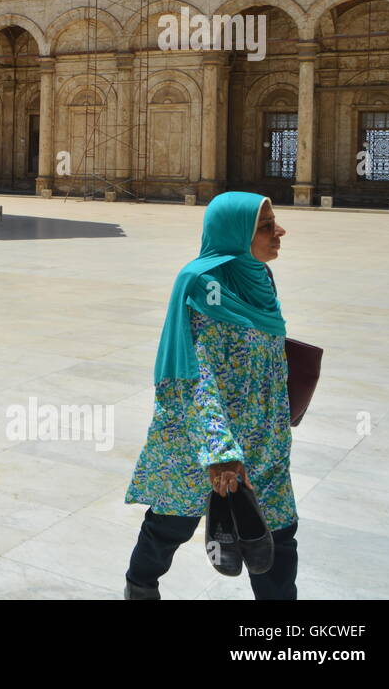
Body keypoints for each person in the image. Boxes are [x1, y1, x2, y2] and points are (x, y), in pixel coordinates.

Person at [124, 192, 296, 599]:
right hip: (202, 438)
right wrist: (220, 452)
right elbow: (196, 375)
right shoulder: (202, 284)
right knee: (171, 525)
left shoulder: (260, 278)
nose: (279, 232)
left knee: (278, 537)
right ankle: (140, 585)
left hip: (263, 437)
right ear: (235, 233)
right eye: (266, 226)